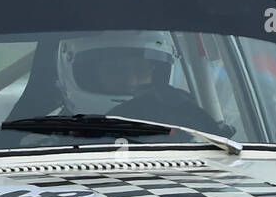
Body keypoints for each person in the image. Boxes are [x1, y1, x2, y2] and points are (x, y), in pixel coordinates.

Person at [55, 30, 229, 135]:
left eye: (141, 70)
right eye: (115, 70)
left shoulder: (186, 129)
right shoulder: (47, 141)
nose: (131, 81)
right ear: (90, 74)